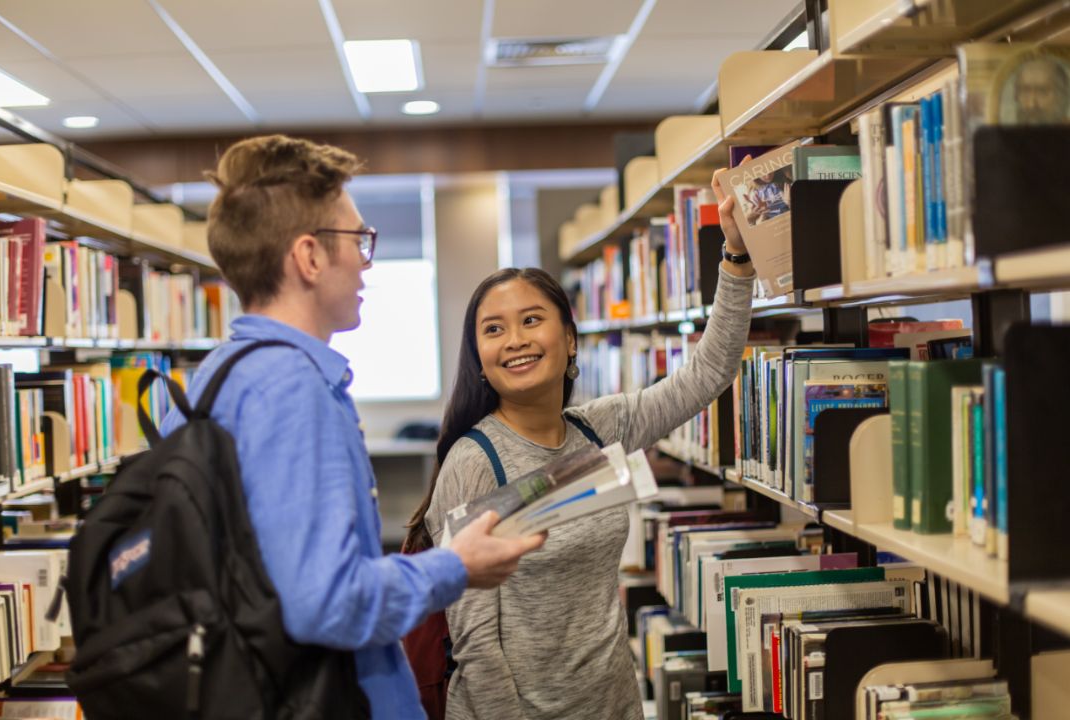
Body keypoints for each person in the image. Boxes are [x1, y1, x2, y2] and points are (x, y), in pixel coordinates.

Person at [160, 135, 545, 718]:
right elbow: (325, 603)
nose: (368, 261)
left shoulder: (210, 378)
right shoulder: (294, 390)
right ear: (309, 257)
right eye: (358, 240)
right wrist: (455, 566)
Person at [405, 167, 756, 719]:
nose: (515, 340)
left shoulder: (600, 431)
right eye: (493, 329)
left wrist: (736, 256)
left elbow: (708, 374)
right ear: (479, 359)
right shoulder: (475, 462)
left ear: (569, 339)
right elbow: (475, 642)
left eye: (531, 320)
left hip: (613, 704)